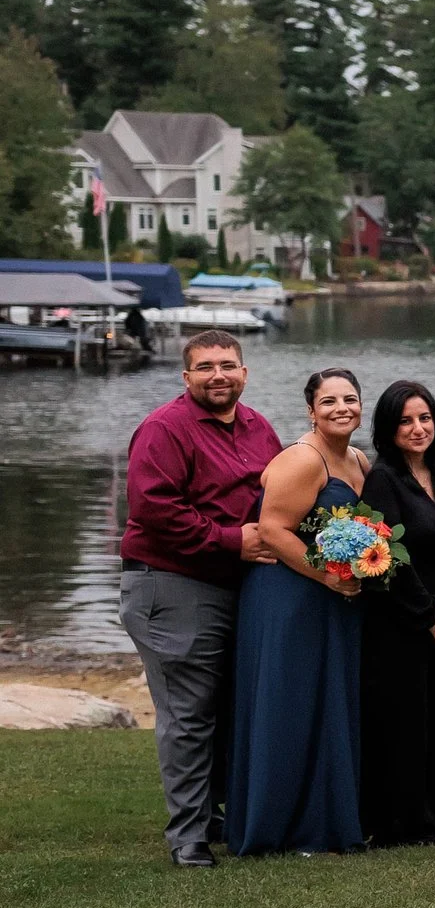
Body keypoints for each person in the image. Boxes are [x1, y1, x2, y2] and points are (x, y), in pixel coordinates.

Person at [117, 329, 283, 868]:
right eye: (206, 366)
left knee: (230, 708)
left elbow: (279, 496)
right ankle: (188, 837)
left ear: (244, 372)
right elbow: (155, 510)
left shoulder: (259, 428)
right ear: (185, 376)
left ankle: (216, 814)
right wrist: (235, 539)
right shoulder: (165, 429)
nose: (219, 375)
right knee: (189, 715)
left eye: (228, 365)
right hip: (172, 583)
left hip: (235, 586)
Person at [227, 368, 369, 856]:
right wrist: (325, 575)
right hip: (288, 594)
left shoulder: (356, 459)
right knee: (288, 701)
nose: (341, 408)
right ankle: (277, 826)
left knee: (326, 700)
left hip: (333, 596)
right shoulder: (301, 459)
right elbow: (272, 529)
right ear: (311, 410)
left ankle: (325, 821)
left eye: (349, 399)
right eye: (328, 401)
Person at [357, 381, 435, 848]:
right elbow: (383, 553)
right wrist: (428, 614)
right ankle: (396, 824)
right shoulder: (383, 479)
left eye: (424, 418)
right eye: (406, 420)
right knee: (402, 719)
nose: (417, 428)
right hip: (398, 613)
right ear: (389, 429)